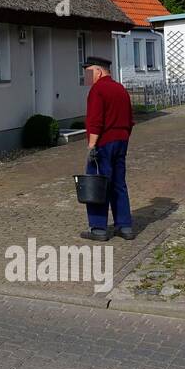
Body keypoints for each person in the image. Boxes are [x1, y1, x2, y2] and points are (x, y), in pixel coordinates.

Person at [81, 55, 133, 241]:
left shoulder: (98, 90)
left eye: (89, 72)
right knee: (119, 184)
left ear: (99, 71)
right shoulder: (120, 89)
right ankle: (124, 226)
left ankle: (99, 228)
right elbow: (129, 118)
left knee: (97, 184)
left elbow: (95, 120)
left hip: (103, 143)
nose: (87, 76)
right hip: (122, 141)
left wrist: (91, 145)